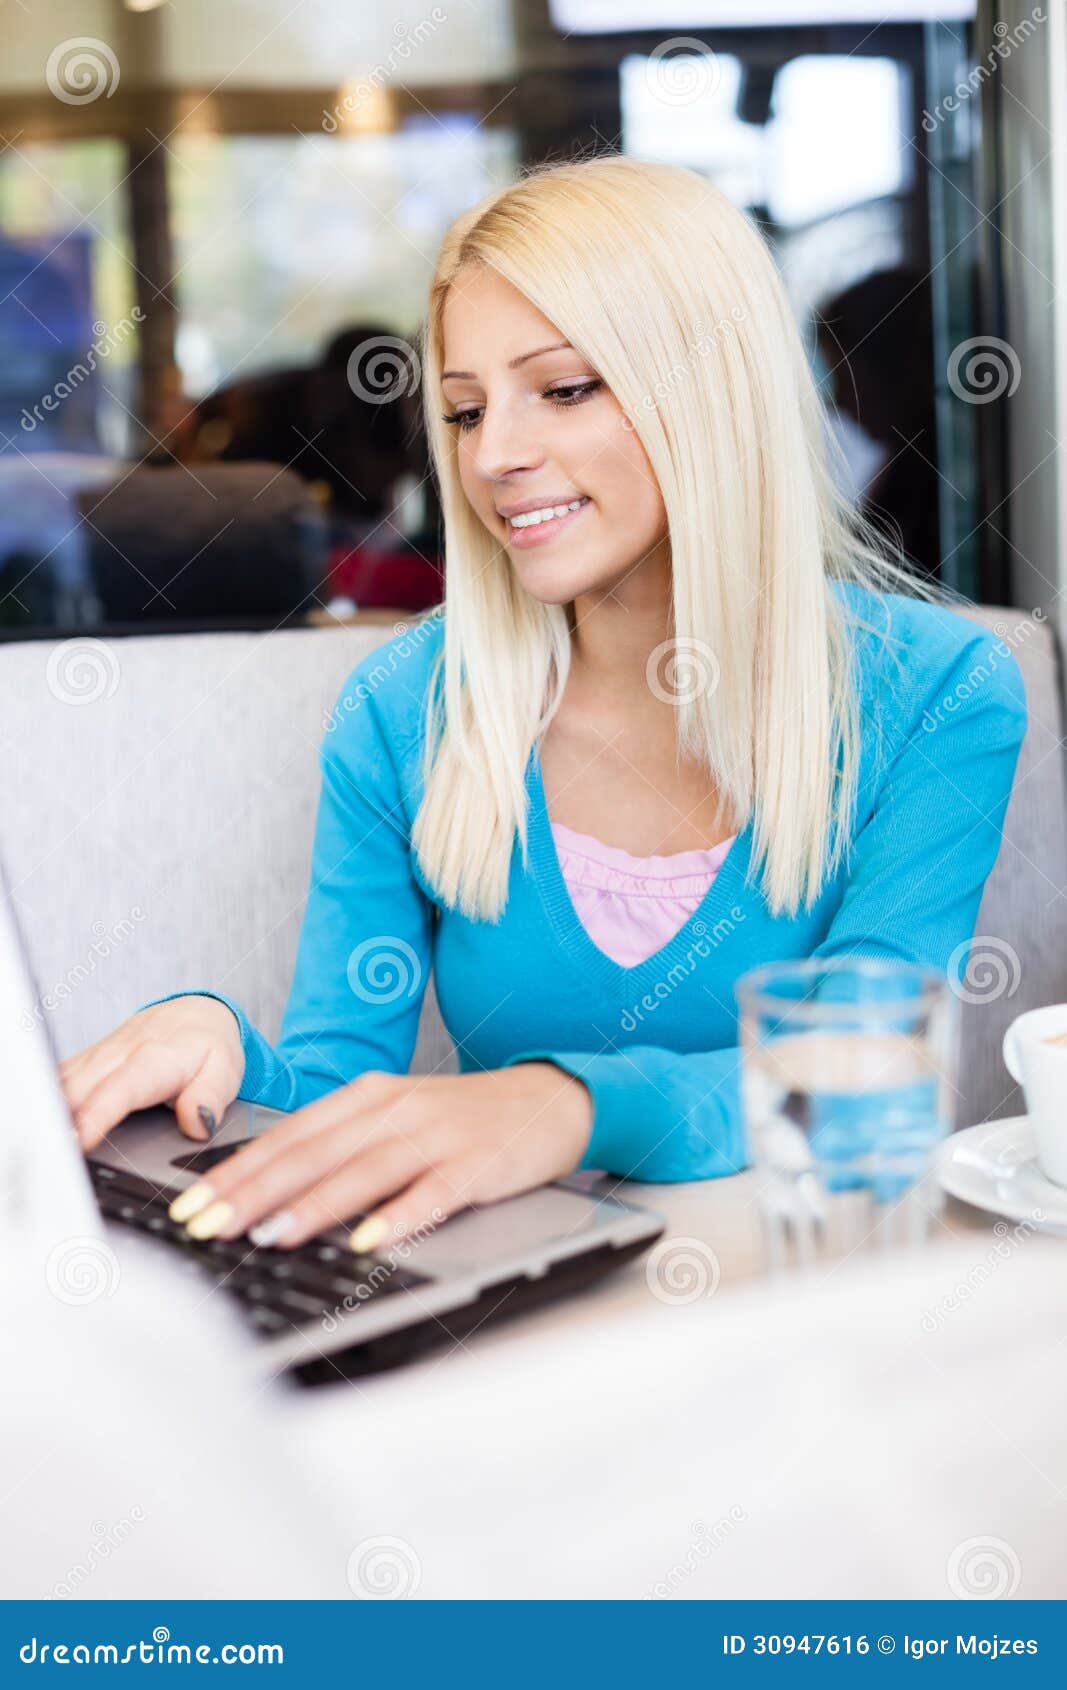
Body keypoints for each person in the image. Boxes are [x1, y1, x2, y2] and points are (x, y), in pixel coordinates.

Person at [58, 155, 1027, 1260]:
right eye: (465, 411)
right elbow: (340, 1088)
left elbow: (857, 1071)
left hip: (800, 1328)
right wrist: (220, 1046)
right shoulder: (399, 710)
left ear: (708, 389)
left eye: (562, 389)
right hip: (517, 1330)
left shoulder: (938, 691)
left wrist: (564, 1103)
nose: (495, 457)